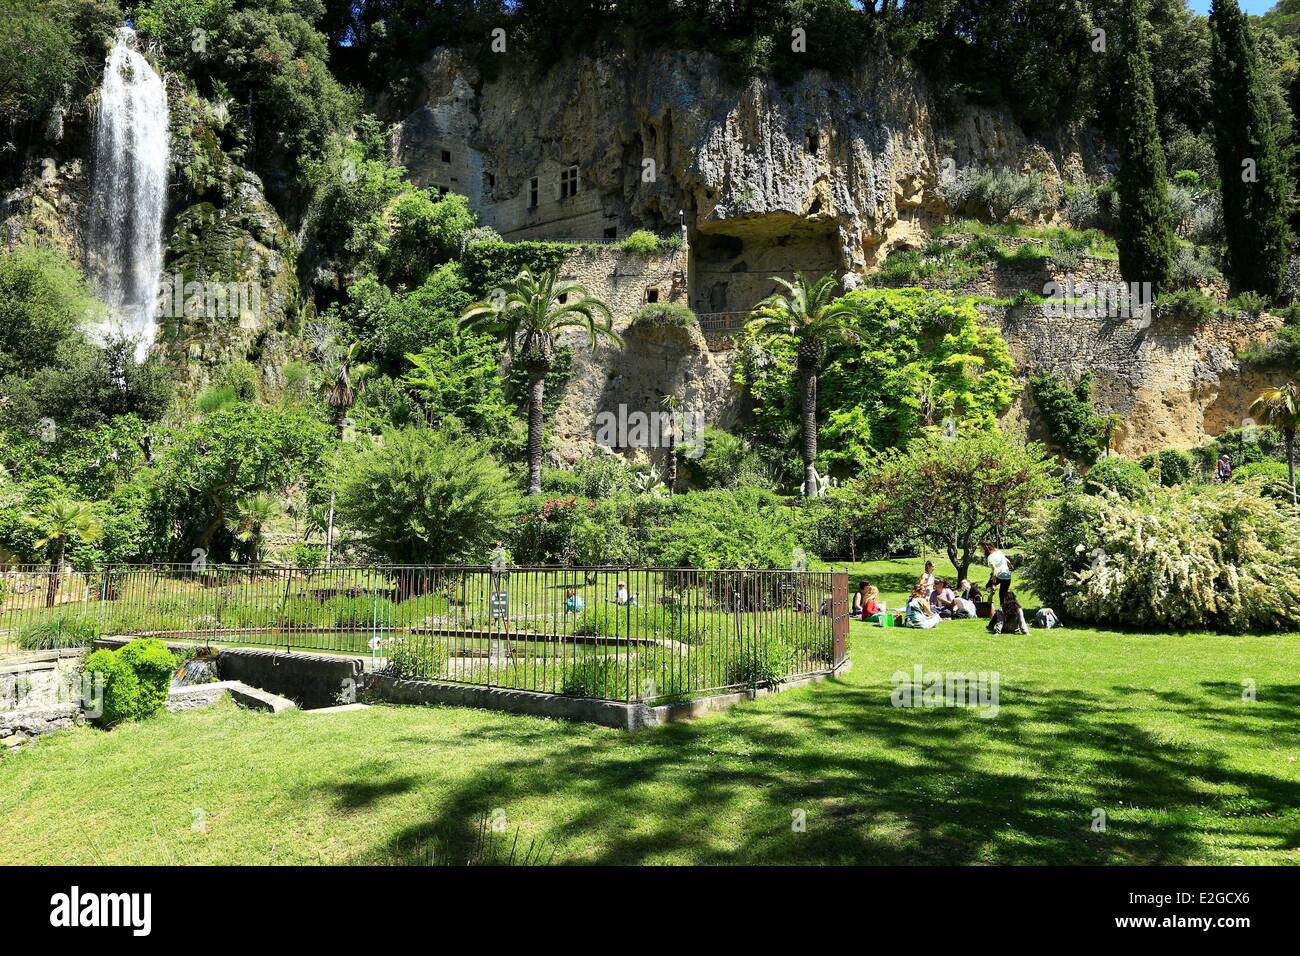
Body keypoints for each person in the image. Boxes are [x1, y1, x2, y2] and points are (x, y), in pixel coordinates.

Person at [982, 541, 1012, 606]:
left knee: (988, 586)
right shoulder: (999, 552)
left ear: (984, 548)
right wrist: (1011, 567)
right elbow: (1007, 561)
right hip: (1007, 575)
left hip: (999, 574)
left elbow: (994, 570)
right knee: (1003, 595)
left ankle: (992, 591)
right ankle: (1004, 610)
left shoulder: (990, 557)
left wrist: (993, 584)